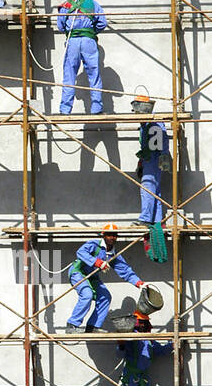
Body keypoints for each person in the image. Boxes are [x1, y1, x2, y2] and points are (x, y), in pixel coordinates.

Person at [65, 223, 143, 333]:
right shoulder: (95, 244)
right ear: (103, 235)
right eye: (109, 235)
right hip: (78, 272)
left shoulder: (113, 255)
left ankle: (93, 327)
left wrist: (139, 283)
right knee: (87, 294)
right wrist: (96, 262)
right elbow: (81, 252)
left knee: (105, 297)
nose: (112, 237)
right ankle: (72, 325)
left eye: (114, 235)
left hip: (92, 277)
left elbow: (125, 271)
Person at [57, 0, 108, 114]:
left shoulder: (66, 5)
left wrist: (72, 31)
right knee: (94, 74)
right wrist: (90, 32)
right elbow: (103, 22)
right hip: (88, 42)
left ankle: (65, 109)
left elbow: (60, 26)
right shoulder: (92, 4)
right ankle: (97, 108)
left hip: (72, 41)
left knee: (69, 74)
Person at [132, 92, 171, 225]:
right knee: (155, 189)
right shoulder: (146, 124)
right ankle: (156, 219)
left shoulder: (153, 123)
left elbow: (159, 144)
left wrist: (162, 159)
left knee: (147, 187)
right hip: (151, 158)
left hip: (154, 158)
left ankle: (146, 218)